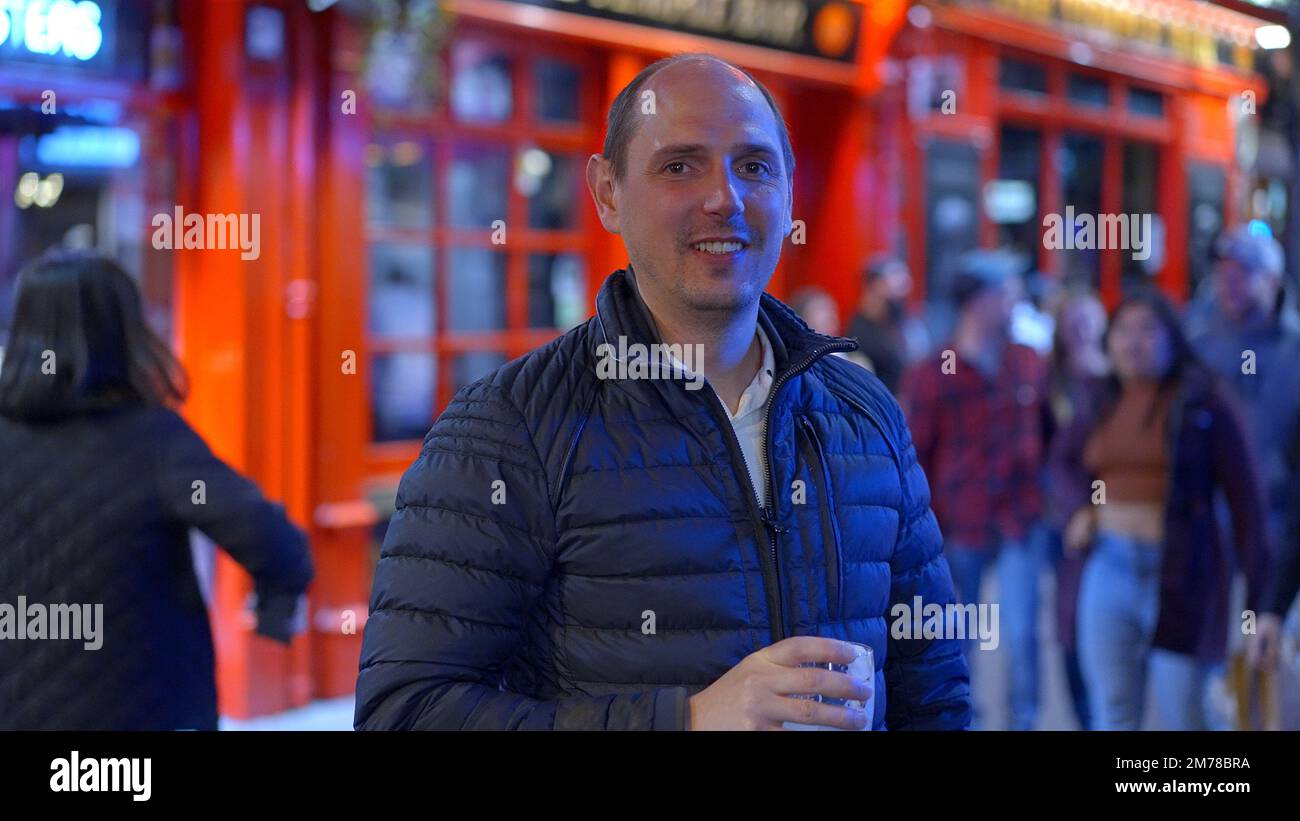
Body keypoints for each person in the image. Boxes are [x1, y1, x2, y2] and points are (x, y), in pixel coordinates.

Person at [354, 52, 970, 731]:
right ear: (607, 192)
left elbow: (936, 695)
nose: (723, 198)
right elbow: (402, 712)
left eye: (754, 166)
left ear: (788, 191)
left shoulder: (866, 415)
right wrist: (688, 719)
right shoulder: (507, 429)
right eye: (680, 165)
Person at [0, 250, 314, 731]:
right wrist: (275, 609)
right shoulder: (155, 445)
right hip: (144, 711)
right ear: (125, 337)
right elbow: (275, 542)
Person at [1050, 291, 1278, 730]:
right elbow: (1061, 462)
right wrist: (1079, 508)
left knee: (1188, 713)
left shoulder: (1205, 403)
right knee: (1112, 710)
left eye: (1147, 330)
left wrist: (1260, 606)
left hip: (1182, 574)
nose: (1133, 343)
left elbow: (1248, 505)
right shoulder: (1100, 400)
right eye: (1123, 331)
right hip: (1108, 568)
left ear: (1172, 339)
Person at [901, 249, 1048, 730]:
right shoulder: (933, 370)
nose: (1017, 303)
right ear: (982, 301)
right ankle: (967, 721)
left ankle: (1022, 722)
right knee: (956, 636)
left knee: (1024, 634)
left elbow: (1051, 432)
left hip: (1021, 517)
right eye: (1008, 294)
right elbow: (916, 454)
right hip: (957, 521)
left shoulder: (1027, 361)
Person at [1187, 226, 1300, 662]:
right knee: (1205, 657)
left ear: (1272, 280)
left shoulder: (1293, 347)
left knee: (1264, 657)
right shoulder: (1198, 340)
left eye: (1242, 274)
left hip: (1278, 525)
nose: (1228, 284)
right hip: (1208, 524)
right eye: (1223, 273)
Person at [1042, 286, 1109, 730]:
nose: (1082, 330)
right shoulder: (1052, 383)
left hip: (1112, 519)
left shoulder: (1120, 379)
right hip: (1062, 518)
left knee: (1102, 623)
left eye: (1090, 321)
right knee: (1068, 621)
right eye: (1074, 323)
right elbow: (1048, 455)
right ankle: (1086, 718)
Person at [846, 256, 914, 394]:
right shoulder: (859, 332)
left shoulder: (897, 321)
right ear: (877, 284)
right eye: (895, 279)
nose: (904, 288)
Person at [788, 285, 872, 370]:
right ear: (802, 318)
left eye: (833, 310)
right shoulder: (798, 363)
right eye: (822, 310)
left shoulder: (854, 359)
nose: (831, 317)